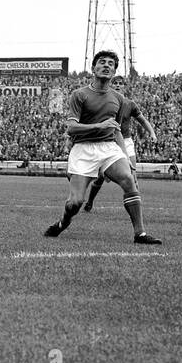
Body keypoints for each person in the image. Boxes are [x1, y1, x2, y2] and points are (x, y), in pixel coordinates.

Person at [44, 50, 161, 244]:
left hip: (109, 147)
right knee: (75, 203)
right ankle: (62, 223)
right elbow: (72, 127)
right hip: (83, 149)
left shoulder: (119, 98)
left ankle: (140, 233)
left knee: (128, 178)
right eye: (102, 62)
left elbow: (115, 130)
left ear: (114, 71)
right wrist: (99, 125)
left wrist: (124, 155)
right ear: (93, 68)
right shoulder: (79, 95)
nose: (107, 66)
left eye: (111, 64)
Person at [82, 79, 156, 212]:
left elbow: (143, 120)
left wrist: (152, 133)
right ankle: (90, 202)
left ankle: (137, 210)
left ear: (124, 87)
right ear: (110, 85)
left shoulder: (130, 104)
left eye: (120, 83)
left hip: (126, 141)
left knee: (133, 174)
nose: (117, 85)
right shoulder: (104, 101)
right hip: (109, 140)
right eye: (115, 83)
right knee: (100, 178)